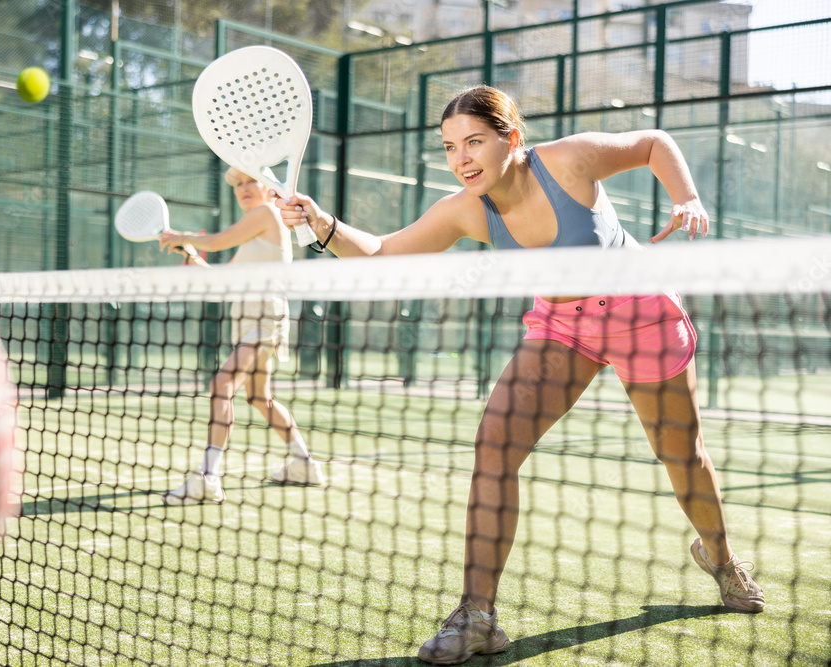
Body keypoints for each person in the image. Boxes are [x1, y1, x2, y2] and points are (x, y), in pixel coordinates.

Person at [276, 85, 764, 664]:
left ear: (512, 138)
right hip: (563, 325)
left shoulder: (568, 160)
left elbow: (653, 143)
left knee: (681, 455)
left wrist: (687, 198)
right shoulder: (465, 208)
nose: (461, 158)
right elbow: (385, 253)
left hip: (641, 313)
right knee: (495, 446)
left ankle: (722, 558)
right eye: (450, 146)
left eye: (474, 141)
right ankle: (477, 612)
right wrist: (321, 223)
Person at [157, 168, 325, 505]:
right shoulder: (254, 235)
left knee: (222, 385)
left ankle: (208, 476)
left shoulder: (267, 214)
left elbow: (218, 242)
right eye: (239, 184)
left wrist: (182, 235)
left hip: (264, 319)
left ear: (267, 189)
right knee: (259, 398)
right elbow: (222, 282)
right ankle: (304, 465)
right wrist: (190, 254)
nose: (244, 188)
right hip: (251, 321)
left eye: (252, 182)